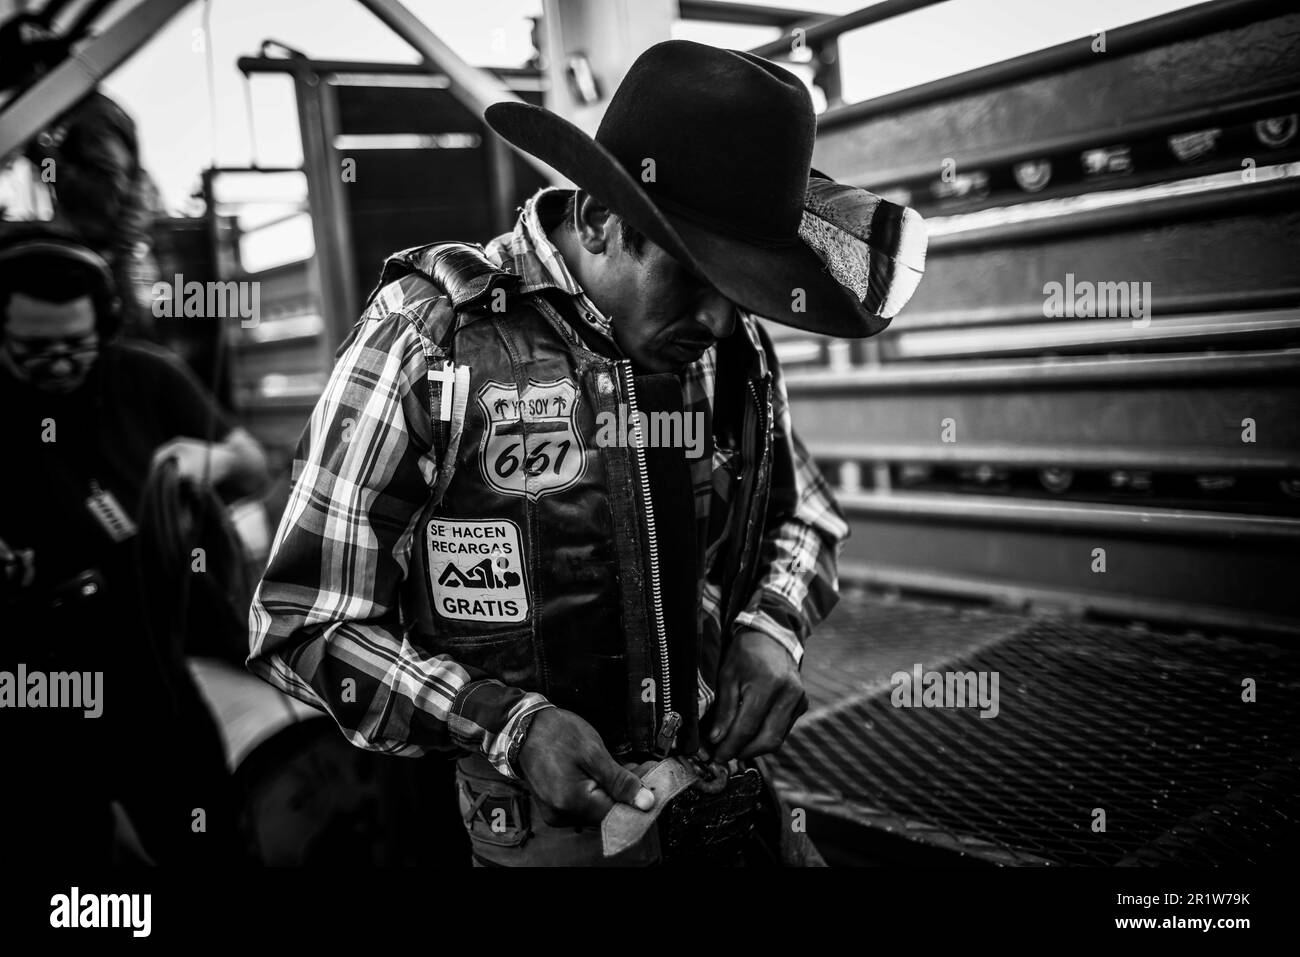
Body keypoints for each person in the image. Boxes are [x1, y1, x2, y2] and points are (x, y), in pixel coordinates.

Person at [248, 40, 923, 866]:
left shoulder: (730, 349)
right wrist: (505, 725)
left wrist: (771, 628)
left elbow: (804, 513)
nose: (721, 320)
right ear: (603, 220)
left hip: (730, 816)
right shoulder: (429, 341)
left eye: (743, 288)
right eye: (698, 277)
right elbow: (302, 621)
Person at [0, 224, 268, 865]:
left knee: (211, 844)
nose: (61, 364)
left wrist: (214, 459)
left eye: (77, 345)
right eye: (34, 350)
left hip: (149, 672)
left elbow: (252, 464)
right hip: (30, 689)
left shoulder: (143, 378)